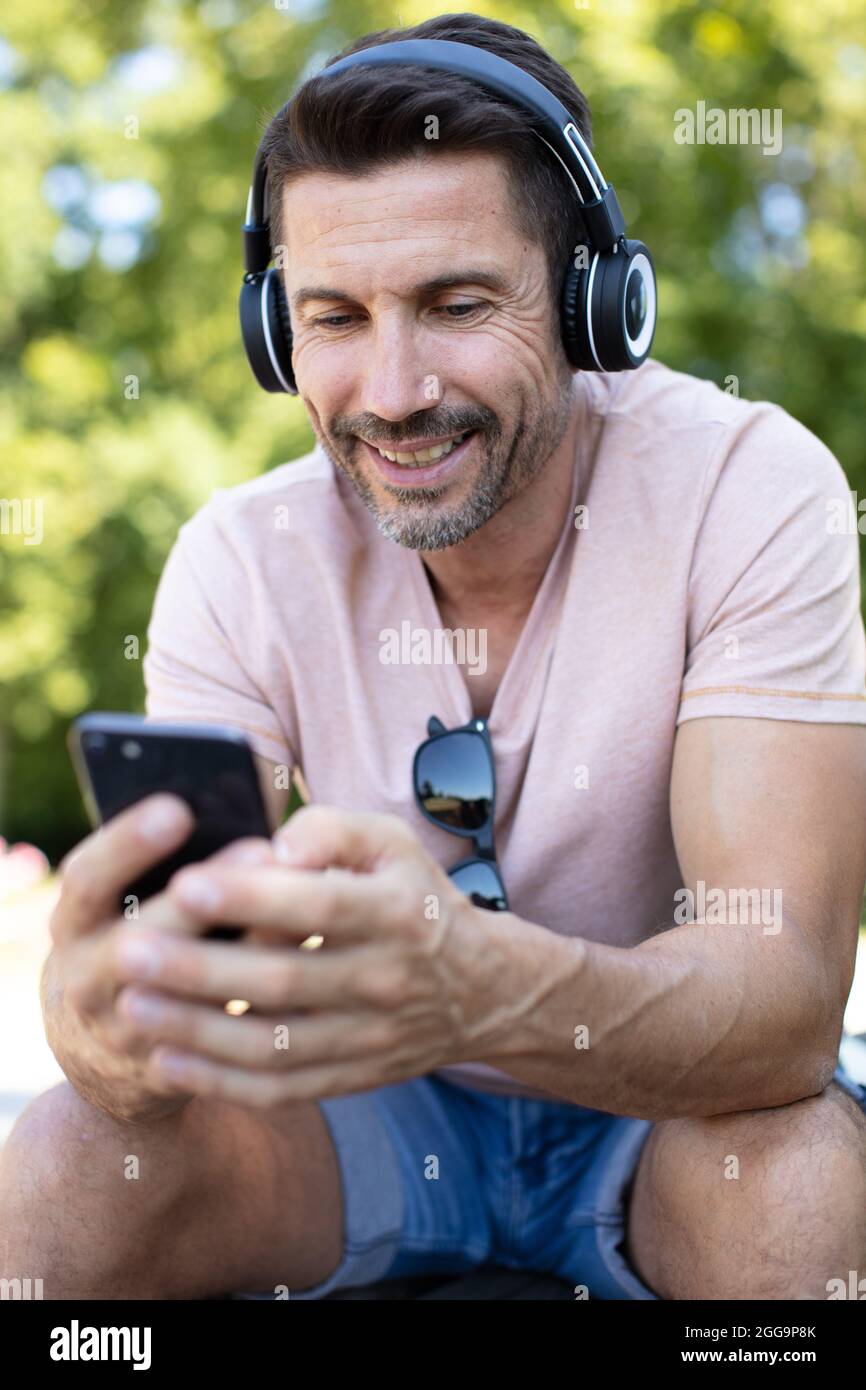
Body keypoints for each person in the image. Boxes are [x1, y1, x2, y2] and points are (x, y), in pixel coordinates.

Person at [3, 13, 866, 1302]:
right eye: (334, 317)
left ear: (591, 299)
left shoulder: (749, 485)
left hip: (669, 1109)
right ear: (272, 332)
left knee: (797, 1188)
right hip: (356, 1124)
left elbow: (785, 1003)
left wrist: (481, 993)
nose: (394, 390)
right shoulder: (239, 558)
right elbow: (184, 992)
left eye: (458, 304)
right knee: (66, 1161)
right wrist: (106, 1028)